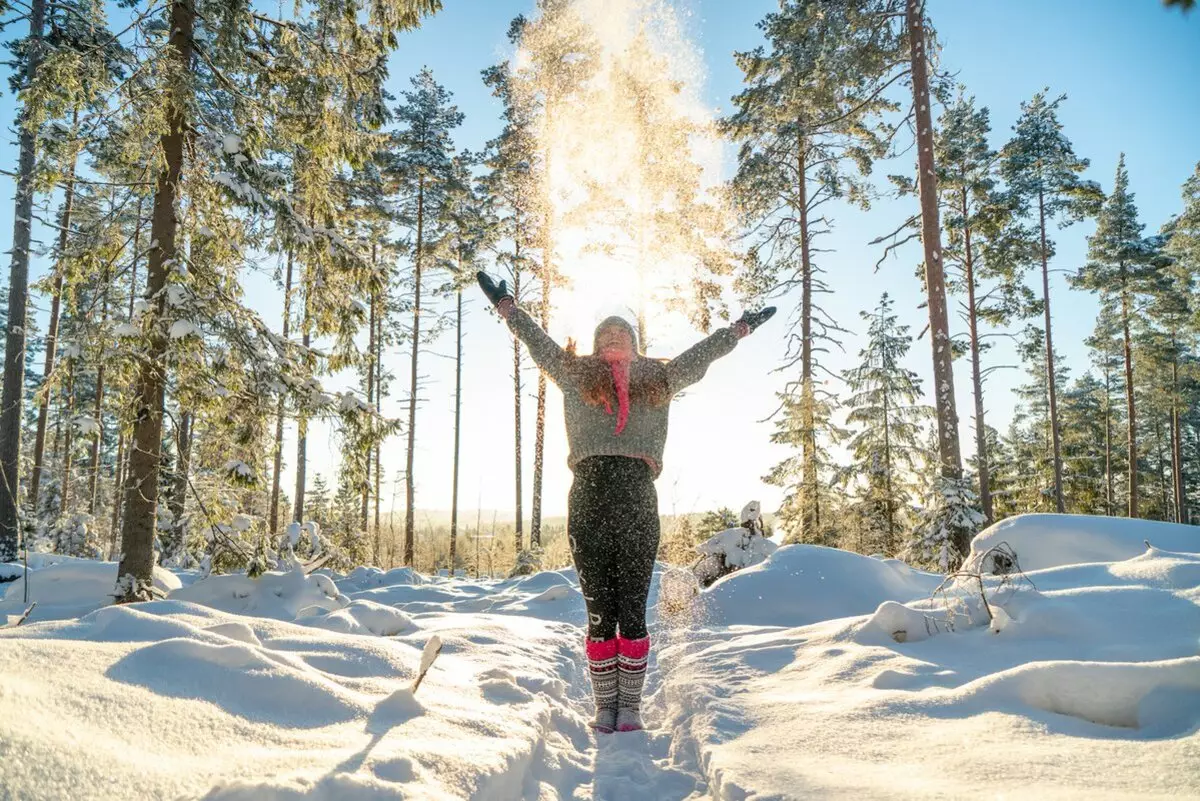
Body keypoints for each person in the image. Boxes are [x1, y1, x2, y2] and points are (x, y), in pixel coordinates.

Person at [476, 271, 775, 733]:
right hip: (589, 497)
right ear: (596, 344)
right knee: (600, 611)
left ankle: (629, 707)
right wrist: (508, 307)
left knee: (632, 609)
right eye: (606, 333)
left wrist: (739, 328)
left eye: (623, 332)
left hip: (637, 495)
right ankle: (604, 705)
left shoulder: (660, 377)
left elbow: (704, 354)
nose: (614, 336)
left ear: (635, 343)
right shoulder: (575, 374)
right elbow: (538, 343)